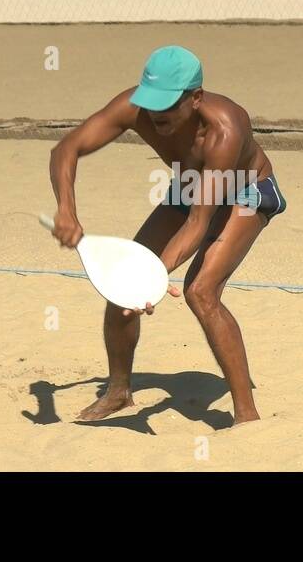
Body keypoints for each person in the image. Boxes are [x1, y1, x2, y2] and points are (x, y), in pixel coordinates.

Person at [47, 46, 287, 426]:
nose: (156, 113)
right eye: (150, 101)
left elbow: (198, 222)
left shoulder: (226, 129)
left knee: (200, 291)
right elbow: (66, 148)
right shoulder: (135, 108)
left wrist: (152, 277)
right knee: (121, 284)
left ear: (195, 99)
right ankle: (119, 392)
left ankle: (246, 414)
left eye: (167, 104)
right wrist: (66, 208)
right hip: (194, 185)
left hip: (245, 191)